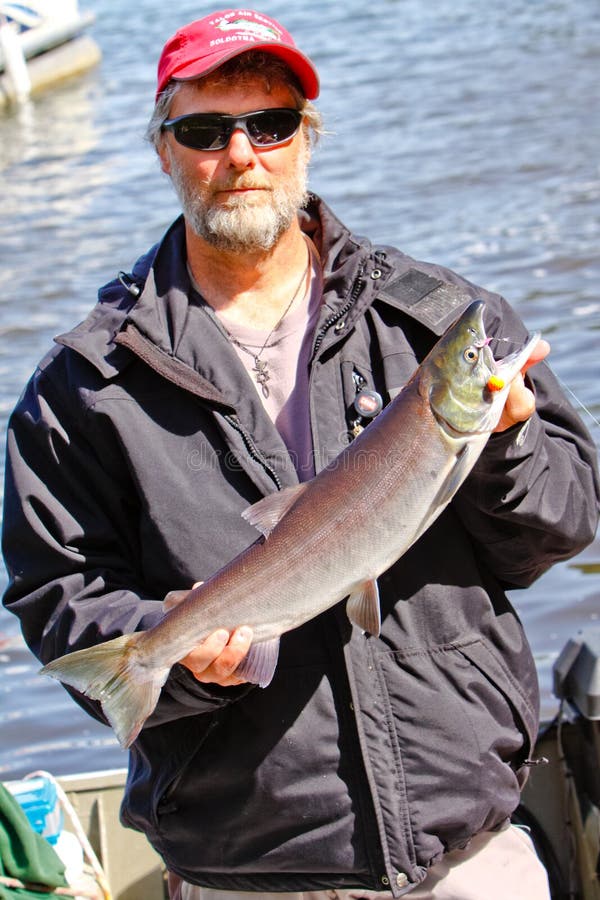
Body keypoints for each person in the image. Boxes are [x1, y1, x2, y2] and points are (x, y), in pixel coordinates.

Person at [2, 8, 599, 900]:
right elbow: (59, 595)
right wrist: (172, 657)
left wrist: (508, 442)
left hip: (470, 854)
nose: (242, 153)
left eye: (271, 123)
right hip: (245, 870)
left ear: (305, 137)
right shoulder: (85, 389)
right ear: (163, 150)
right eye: (206, 130)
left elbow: (560, 531)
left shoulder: (436, 323)